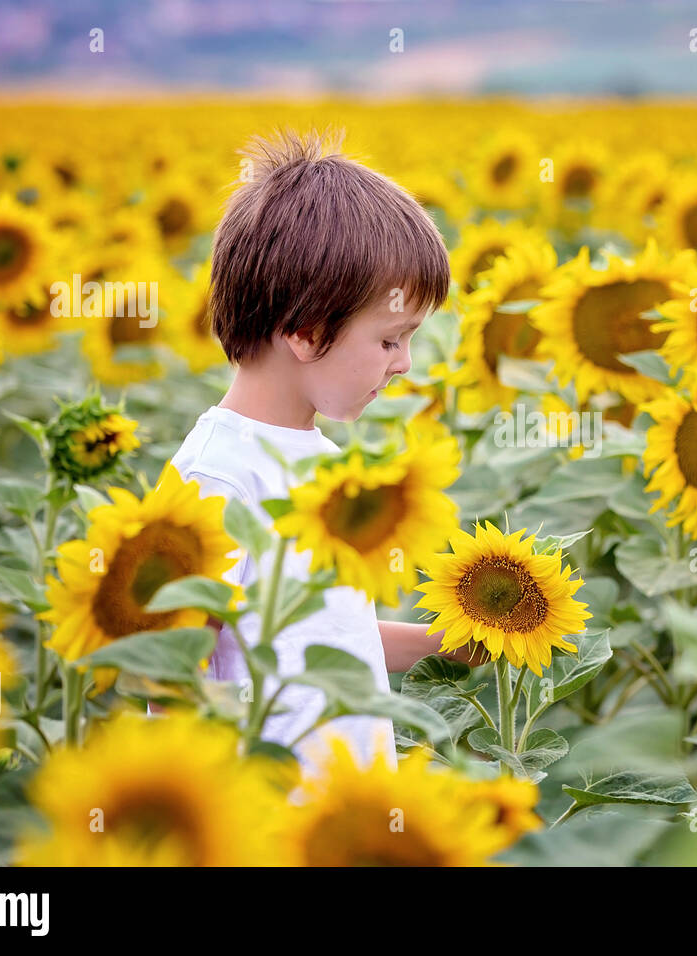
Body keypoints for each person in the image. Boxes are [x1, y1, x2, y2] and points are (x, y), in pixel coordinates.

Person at [164, 128, 485, 773]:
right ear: (307, 333)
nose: (405, 364)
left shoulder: (317, 460)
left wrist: (458, 646)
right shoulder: (216, 479)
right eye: (392, 340)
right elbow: (167, 680)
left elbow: (330, 642)